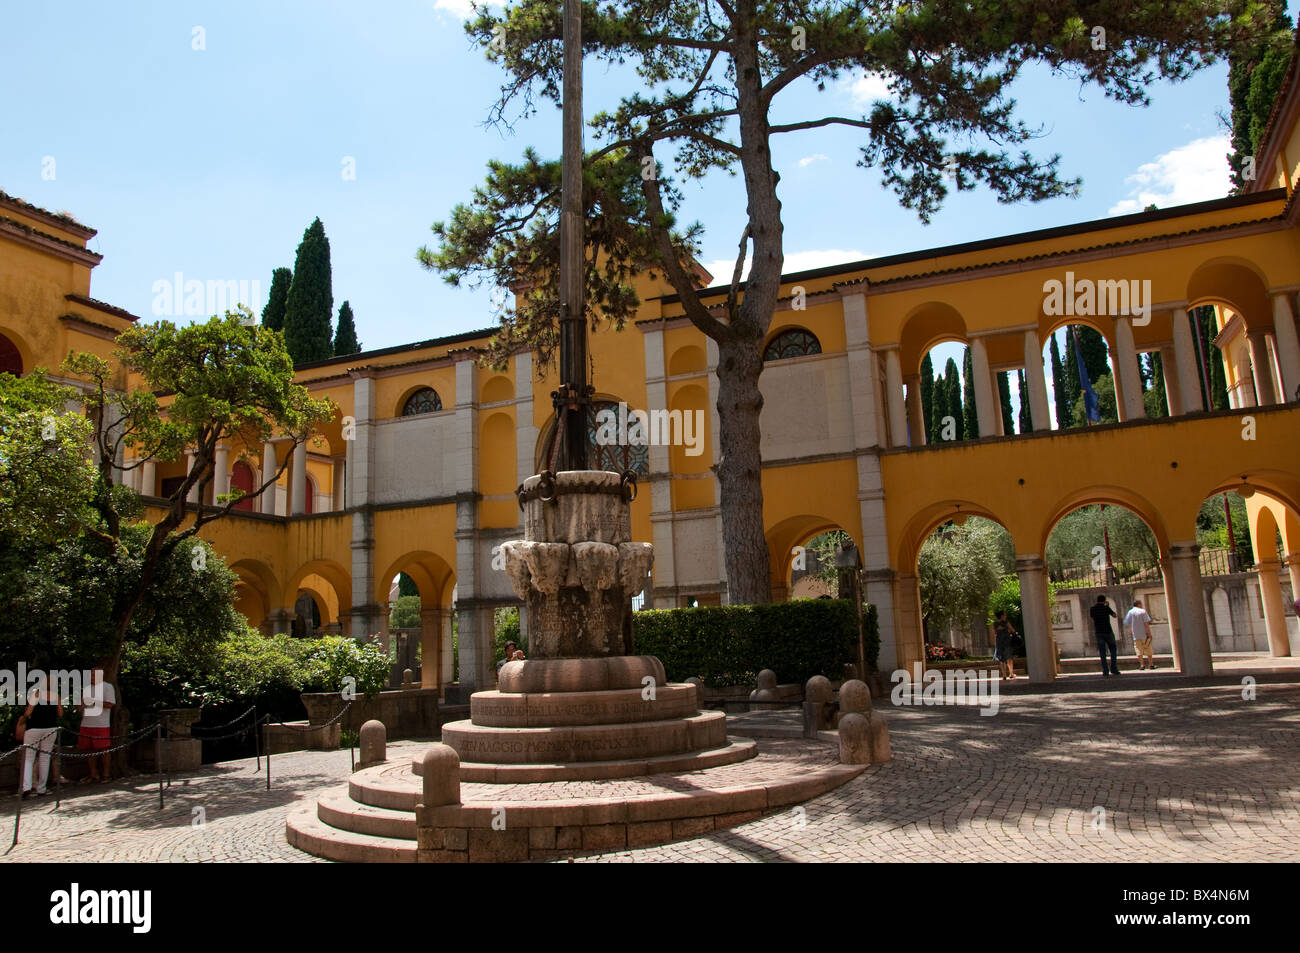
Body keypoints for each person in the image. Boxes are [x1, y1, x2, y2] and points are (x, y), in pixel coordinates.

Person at [20, 674, 63, 798]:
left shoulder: (36, 694)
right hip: (50, 728)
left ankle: (26, 787)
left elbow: (28, 712)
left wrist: (24, 717)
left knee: (29, 757)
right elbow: (60, 713)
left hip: (34, 728)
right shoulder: (56, 696)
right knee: (45, 757)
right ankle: (42, 788)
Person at [77, 666, 116, 784]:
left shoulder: (107, 687)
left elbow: (110, 704)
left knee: (104, 749)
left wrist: (94, 701)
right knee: (89, 750)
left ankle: (106, 774)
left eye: (93, 675)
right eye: (90, 675)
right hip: (86, 723)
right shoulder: (87, 688)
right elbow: (82, 703)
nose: (91, 677)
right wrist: (80, 706)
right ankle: (93, 774)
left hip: (101, 724)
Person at [1089, 595, 1120, 676]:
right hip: (1108, 631)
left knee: (1102, 653)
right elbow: (1114, 615)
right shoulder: (1106, 608)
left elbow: (1092, 618)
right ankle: (1113, 668)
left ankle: (1105, 671)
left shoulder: (1093, 609)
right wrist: (1107, 606)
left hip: (1099, 632)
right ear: (1104, 600)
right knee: (1113, 650)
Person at [1124, 599, 1155, 671]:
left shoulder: (1130, 612)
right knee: (1148, 648)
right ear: (1139, 604)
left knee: (1138, 650)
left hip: (1136, 635)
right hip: (1144, 634)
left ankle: (1142, 665)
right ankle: (1151, 664)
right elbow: (1146, 623)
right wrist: (1149, 633)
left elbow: (1127, 623)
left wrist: (1131, 631)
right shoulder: (1143, 611)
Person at [992, 610, 1018, 680]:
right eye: (1004, 615)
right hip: (1007, 642)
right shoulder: (1006, 623)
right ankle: (1011, 673)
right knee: (1009, 657)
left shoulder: (995, 624)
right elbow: (1012, 630)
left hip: (999, 642)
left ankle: (1004, 675)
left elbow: (995, 633)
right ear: (1002, 616)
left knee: (1001, 659)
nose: (1005, 616)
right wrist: (1014, 633)